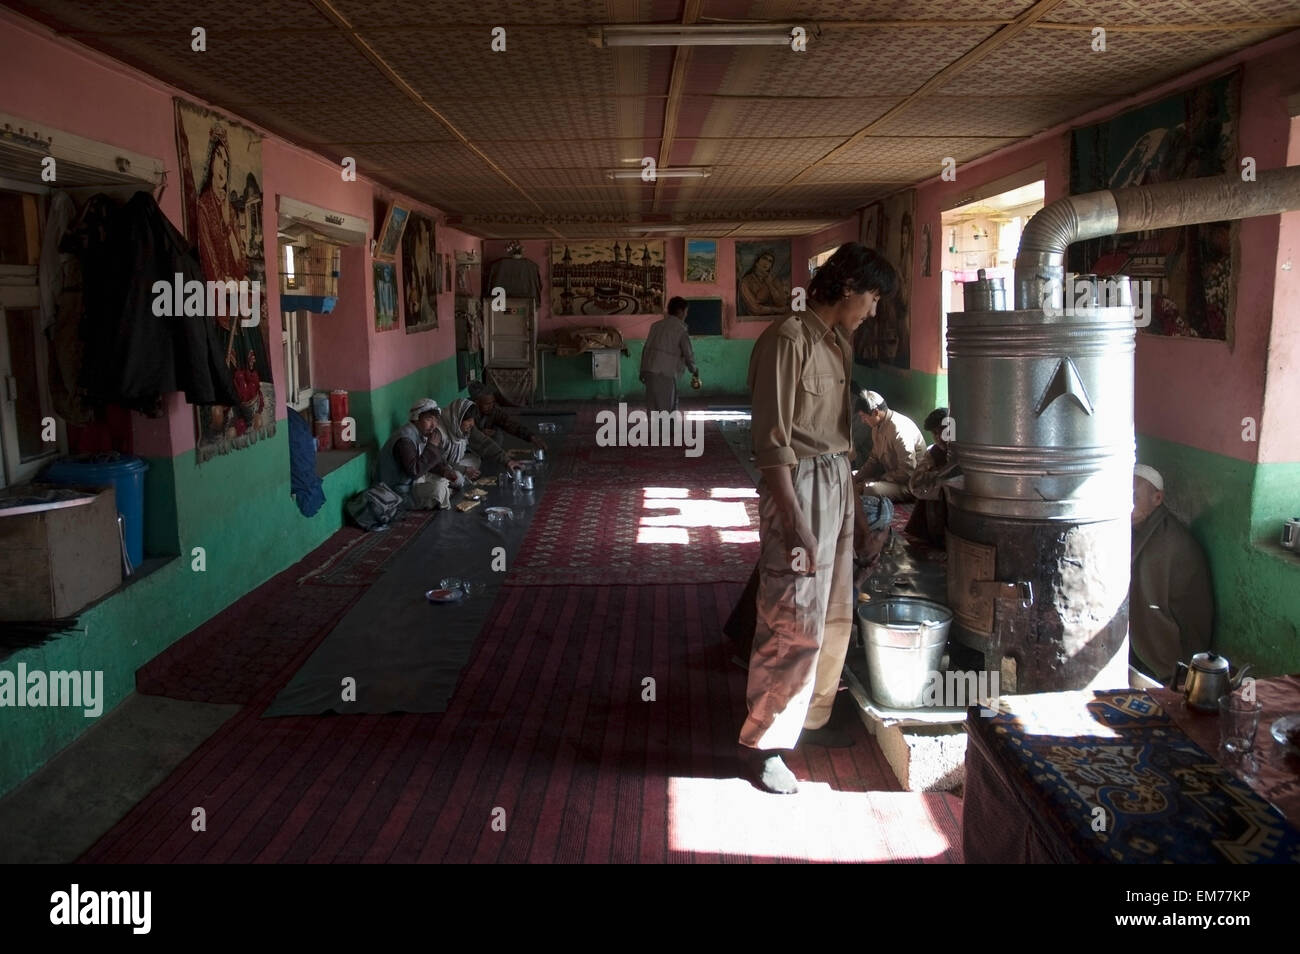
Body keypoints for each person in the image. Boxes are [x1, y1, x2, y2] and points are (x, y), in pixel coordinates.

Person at [740, 242, 898, 795]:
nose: (873, 310)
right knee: (792, 615)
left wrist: (851, 506)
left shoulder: (838, 343)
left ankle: (814, 718)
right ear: (850, 287)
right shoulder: (788, 340)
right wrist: (798, 524)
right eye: (873, 297)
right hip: (798, 488)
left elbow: (840, 442)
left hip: (834, 481)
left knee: (834, 613)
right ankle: (768, 743)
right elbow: (772, 446)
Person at [1130, 464, 1214, 682]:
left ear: (1157, 499)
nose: (1126, 505)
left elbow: (1148, 607)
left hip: (1180, 649)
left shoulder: (1167, 542)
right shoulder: (1141, 527)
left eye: (1134, 497)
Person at [377, 399, 462, 510]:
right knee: (438, 488)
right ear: (416, 418)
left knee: (457, 478)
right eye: (428, 419)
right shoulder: (405, 439)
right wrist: (431, 447)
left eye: (436, 421)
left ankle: (434, 497)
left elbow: (428, 463)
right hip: (396, 490)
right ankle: (424, 501)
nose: (433, 425)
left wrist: (444, 471)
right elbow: (415, 471)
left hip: (413, 481)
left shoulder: (421, 433)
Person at [853, 391, 927, 502]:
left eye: (864, 417)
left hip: (910, 484)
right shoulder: (876, 427)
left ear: (876, 412)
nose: (863, 421)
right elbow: (873, 460)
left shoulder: (898, 429)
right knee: (852, 475)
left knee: (871, 489)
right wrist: (857, 478)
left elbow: (908, 471)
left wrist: (880, 479)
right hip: (891, 479)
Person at [438, 397, 522, 483]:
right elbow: (438, 463)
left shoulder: (462, 427)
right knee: (457, 478)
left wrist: (507, 461)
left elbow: (484, 443)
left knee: (475, 460)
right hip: (439, 468)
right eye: (468, 420)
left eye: (473, 420)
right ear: (457, 418)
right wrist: (463, 469)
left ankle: (458, 479)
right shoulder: (439, 432)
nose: (472, 424)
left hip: (452, 464)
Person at [639, 297, 699, 413]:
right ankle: (666, 430)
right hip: (665, 374)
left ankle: (657, 430)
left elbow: (646, 349)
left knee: (653, 407)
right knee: (666, 408)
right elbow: (688, 353)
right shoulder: (680, 329)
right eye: (686, 312)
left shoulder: (655, 326)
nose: (686, 315)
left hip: (649, 371)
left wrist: (642, 370)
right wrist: (694, 369)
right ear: (681, 311)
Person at [904, 407, 951, 546]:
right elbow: (915, 484)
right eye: (934, 433)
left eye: (942, 431)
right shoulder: (933, 453)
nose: (939, 437)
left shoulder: (964, 449)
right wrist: (939, 475)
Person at [468, 381, 546, 450]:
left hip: (481, 441)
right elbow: (462, 431)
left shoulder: (493, 411)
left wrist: (531, 437)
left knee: (497, 434)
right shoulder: (468, 411)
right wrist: (480, 432)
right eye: (487, 404)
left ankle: (491, 454)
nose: (491, 406)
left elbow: (511, 424)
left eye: (492, 402)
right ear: (477, 402)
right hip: (468, 443)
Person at [738, 250, 789, 316]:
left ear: (771, 266)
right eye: (764, 258)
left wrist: (770, 285)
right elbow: (755, 309)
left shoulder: (774, 280)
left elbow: (782, 303)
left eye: (770, 261)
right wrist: (777, 310)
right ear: (756, 262)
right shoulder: (746, 281)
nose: (766, 262)